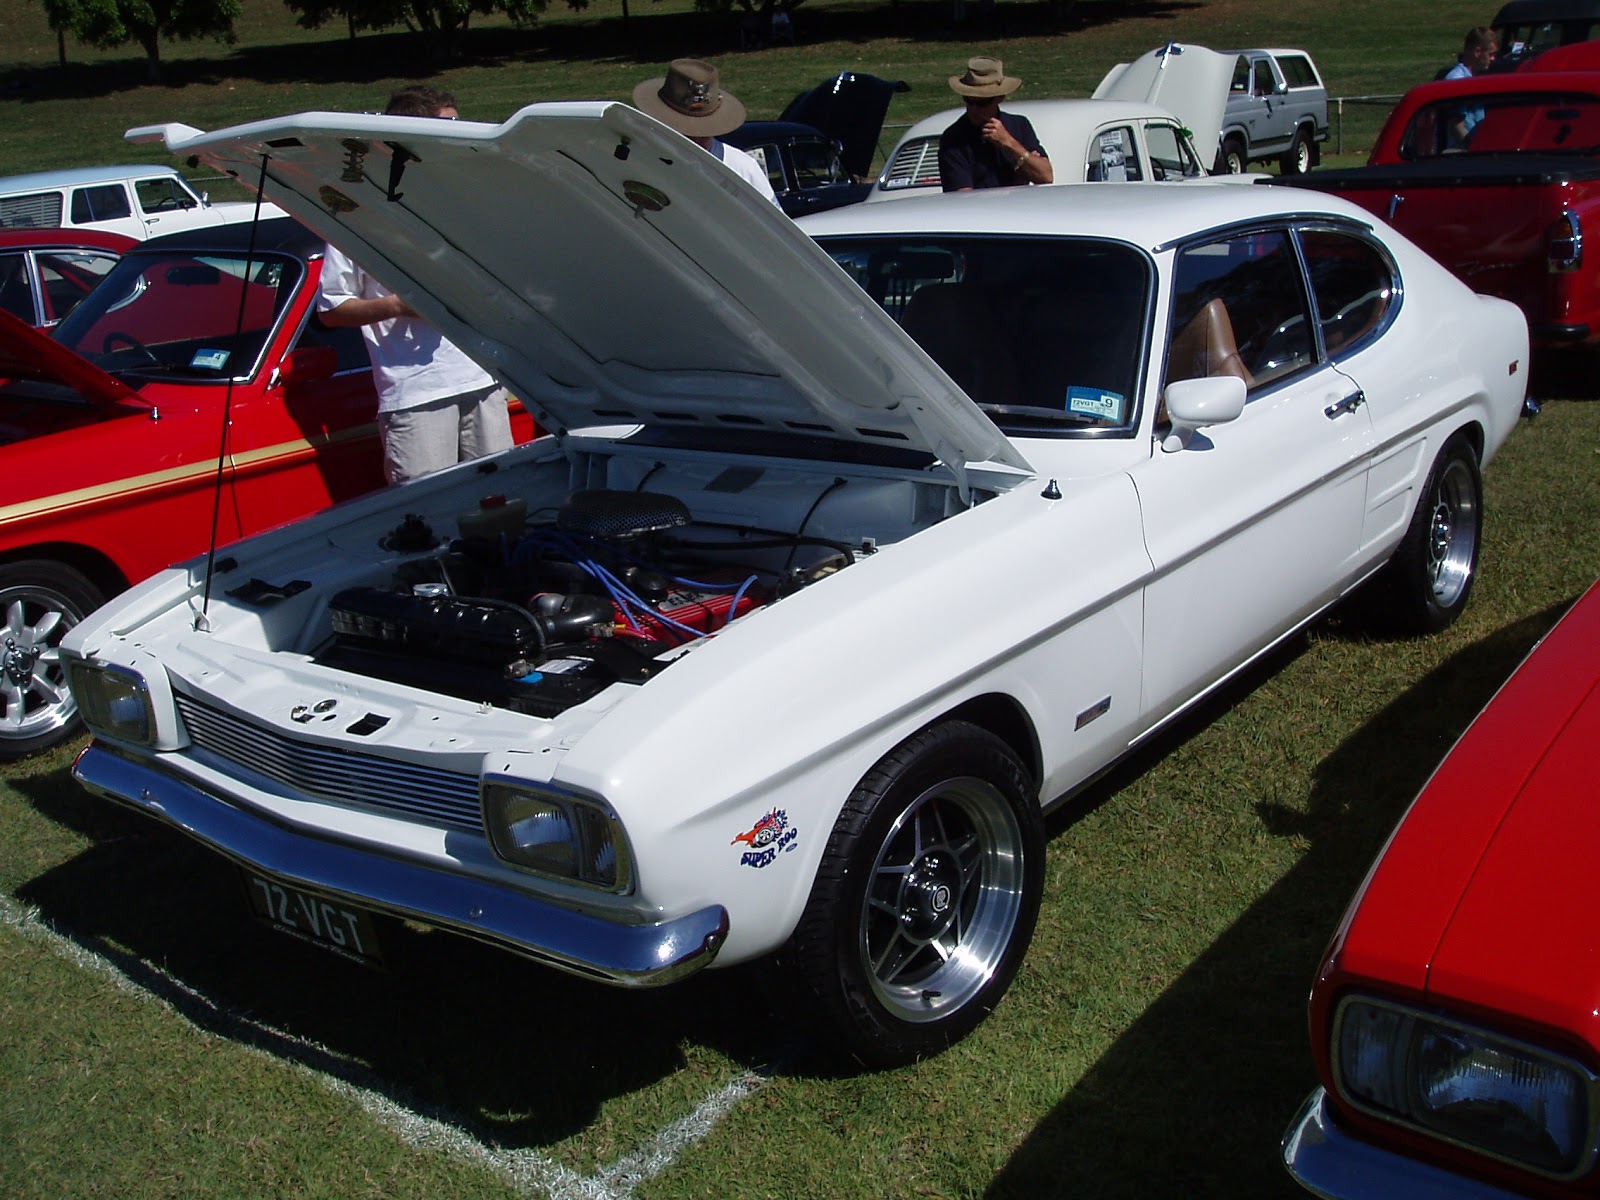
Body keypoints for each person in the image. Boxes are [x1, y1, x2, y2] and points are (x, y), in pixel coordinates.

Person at [317, 84, 513, 486]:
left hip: (484, 379)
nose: (457, 137)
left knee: (503, 498)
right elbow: (331, 309)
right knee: (430, 510)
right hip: (415, 393)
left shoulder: (461, 201)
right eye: (448, 128)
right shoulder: (358, 211)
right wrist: (397, 305)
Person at [631, 59, 781, 207]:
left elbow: (773, 221)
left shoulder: (743, 169)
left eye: (703, 132)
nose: (694, 139)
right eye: (684, 130)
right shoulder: (639, 160)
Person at [938, 56, 1053, 191]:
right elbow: (963, 196)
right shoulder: (954, 139)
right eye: (969, 100)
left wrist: (1009, 144)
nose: (974, 109)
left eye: (982, 102)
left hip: (1019, 204)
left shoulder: (1019, 125)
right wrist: (1024, 169)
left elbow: (1046, 177)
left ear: (999, 98)